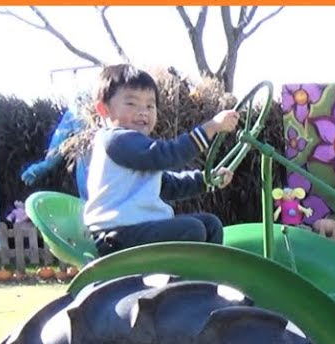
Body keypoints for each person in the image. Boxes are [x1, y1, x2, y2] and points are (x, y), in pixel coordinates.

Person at [82, 64, 240, 256]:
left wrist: (207, 180)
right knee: (192, 229)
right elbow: (168, 155)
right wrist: (211, 127)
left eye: (150, 105)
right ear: (104, 109)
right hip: (115, 236)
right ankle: (184, 280)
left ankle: (206, 280)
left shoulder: (137, 149)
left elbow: (167, 184)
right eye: (131, 104)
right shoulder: (115, 140)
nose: (143, 112)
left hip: (138, 229)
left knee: (211, 224)